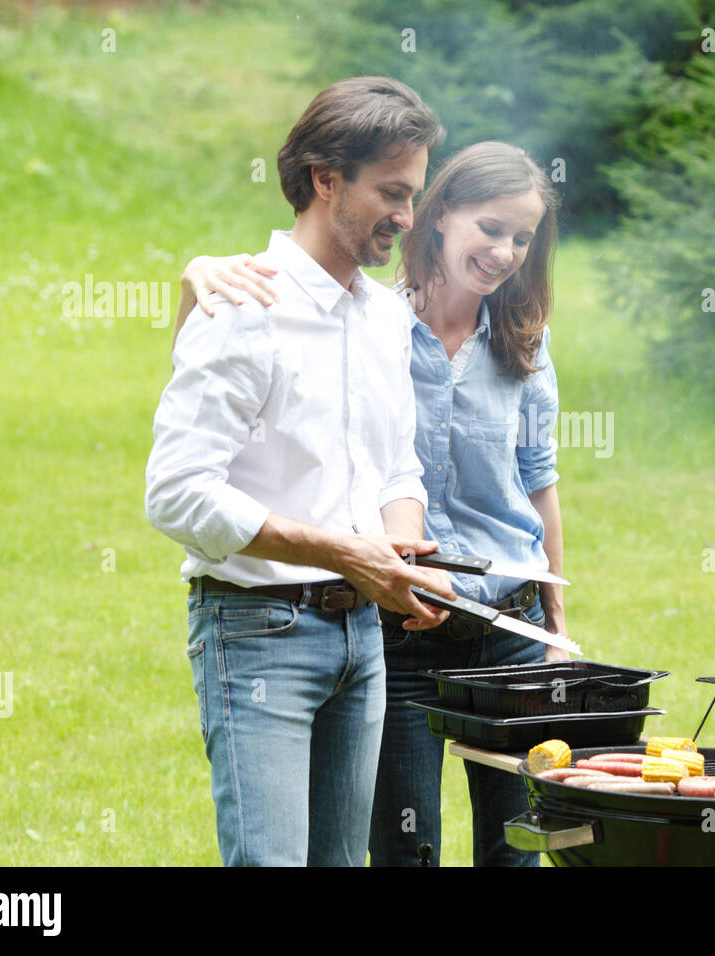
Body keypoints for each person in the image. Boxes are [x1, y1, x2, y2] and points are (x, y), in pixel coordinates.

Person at [173, 141, 565, 866]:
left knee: (515, 850)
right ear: (441, 218)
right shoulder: (374, 322)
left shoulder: (524, 348)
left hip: (509, 625)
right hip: (400, 625)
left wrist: (556, 621)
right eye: (491, 228)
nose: (506, 251)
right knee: (403, 848)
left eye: (521, 237)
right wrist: (195, 276)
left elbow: (537, 485)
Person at [144, 76, 458, 867]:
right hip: (256, 633)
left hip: (364, 637)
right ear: (326, 180)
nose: (406, 217)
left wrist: (404, 553)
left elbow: (395, 464)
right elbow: (176, 493)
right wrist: (341, 552)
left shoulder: (388, 318)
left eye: (413, 194)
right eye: (391, 192)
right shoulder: (241, 306)